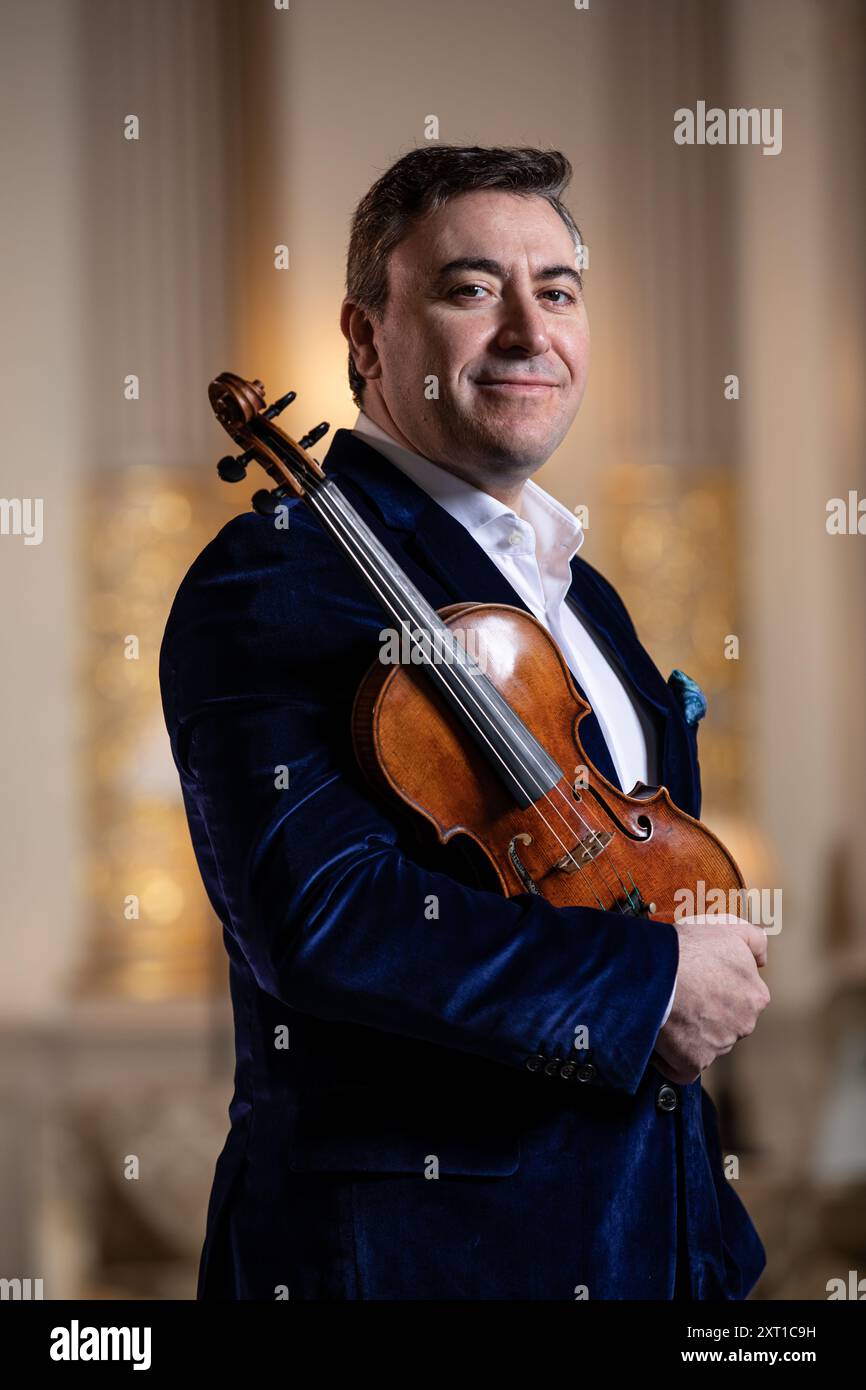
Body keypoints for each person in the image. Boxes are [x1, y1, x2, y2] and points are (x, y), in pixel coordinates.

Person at [159, 144, 770, 1300]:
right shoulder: (278, 576)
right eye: (469, 287)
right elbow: (325, 919)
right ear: (364, 335)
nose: (526, 331)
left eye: (558, 290)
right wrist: (646, 981)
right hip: (417, 1261)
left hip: (654, 1250)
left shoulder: (581, 596)